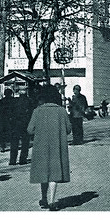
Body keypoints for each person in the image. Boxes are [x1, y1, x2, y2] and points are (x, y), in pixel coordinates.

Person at [27, 83, 72, 211]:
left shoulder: (37, 111)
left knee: (44, 172)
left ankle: (44, 198)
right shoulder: (62, 111)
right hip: (57, 146)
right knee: (54, 173)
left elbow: (30, 130)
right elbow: (68, 129)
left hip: (41, 146)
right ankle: (52, 201)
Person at [9, 86, 34, 166]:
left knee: (14, 142)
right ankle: (22, 159)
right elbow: (31, 112)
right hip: (26, 123)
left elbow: (10, 112)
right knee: (25, 142)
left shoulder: (14, 101)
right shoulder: (29, 101)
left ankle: (12, 160)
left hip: (15, 123)